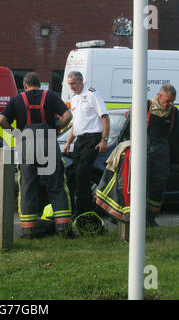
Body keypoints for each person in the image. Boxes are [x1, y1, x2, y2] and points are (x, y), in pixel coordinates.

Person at [0, 72, 73, 238]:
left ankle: (28, 229)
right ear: (39, 84)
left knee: (27, 186)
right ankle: (63, 228)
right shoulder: (51, 96)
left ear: (25, 86)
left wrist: (16, 134)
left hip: (27, 145)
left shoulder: (17, 99)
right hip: (49, 144)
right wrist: (55, 128)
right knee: (57, 185)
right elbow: (68, 115)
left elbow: (1, 120)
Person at [63, 71, 110, 217]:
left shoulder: (92, 94)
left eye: (74, 83)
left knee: (82, 175)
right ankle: (81, 208)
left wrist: (104, 139)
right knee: (77, 176)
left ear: (81, 81)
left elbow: (105, 117)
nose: (72, 87)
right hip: (80, 140)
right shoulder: (75, 98)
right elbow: (75, 124)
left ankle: (85, 210)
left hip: (93, 139)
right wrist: (68, 142)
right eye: (69, 84)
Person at [144, 84, 179, 226]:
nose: (170, 104)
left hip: (161, 154)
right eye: (167, 101)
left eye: (172, 101)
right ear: (159, 96)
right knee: (140, 185)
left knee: (157, 186)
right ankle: (132, 218)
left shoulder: (173, 113)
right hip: (143, 151)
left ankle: (150, 219)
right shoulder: (145, 106)